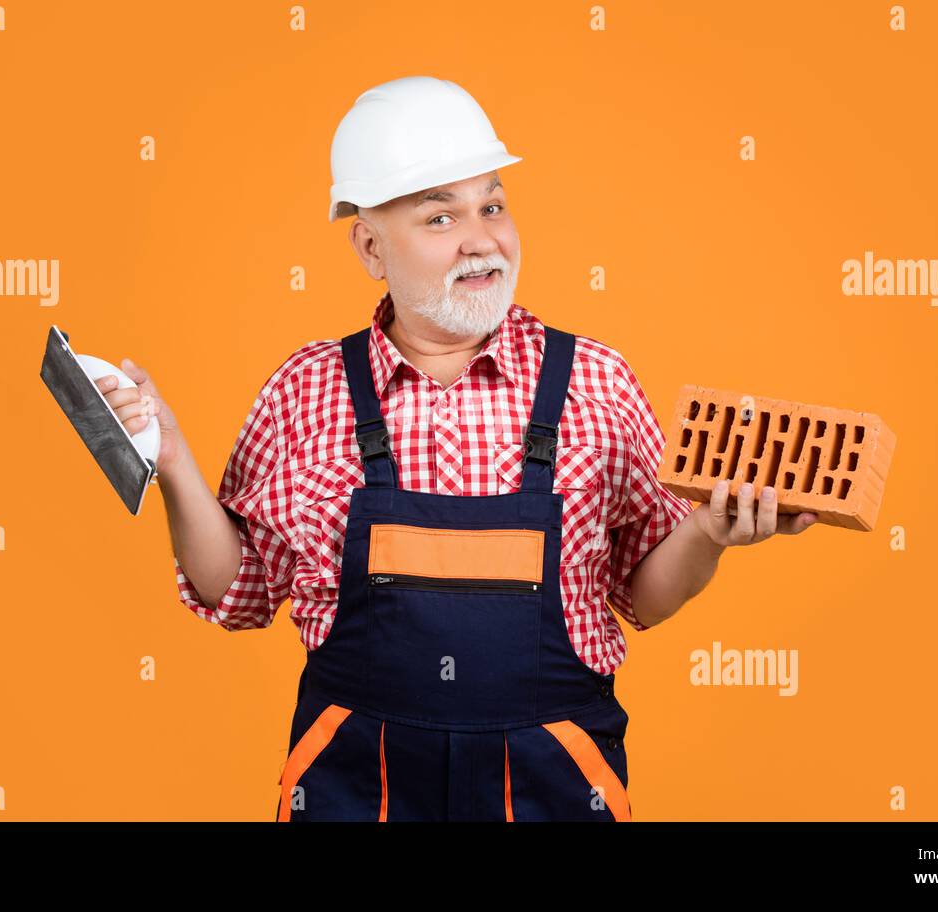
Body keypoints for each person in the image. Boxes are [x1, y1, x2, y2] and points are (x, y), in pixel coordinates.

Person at [94, 76, 818, 821]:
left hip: (554, 787)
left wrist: (707, 533)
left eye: (492, 206)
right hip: (353, 788)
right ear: (370, 246)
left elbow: (643, 596)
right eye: (441, 217)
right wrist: (173, 461)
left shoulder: (595, 382)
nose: (481, 239)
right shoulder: (306, 390)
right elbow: (238, 590)